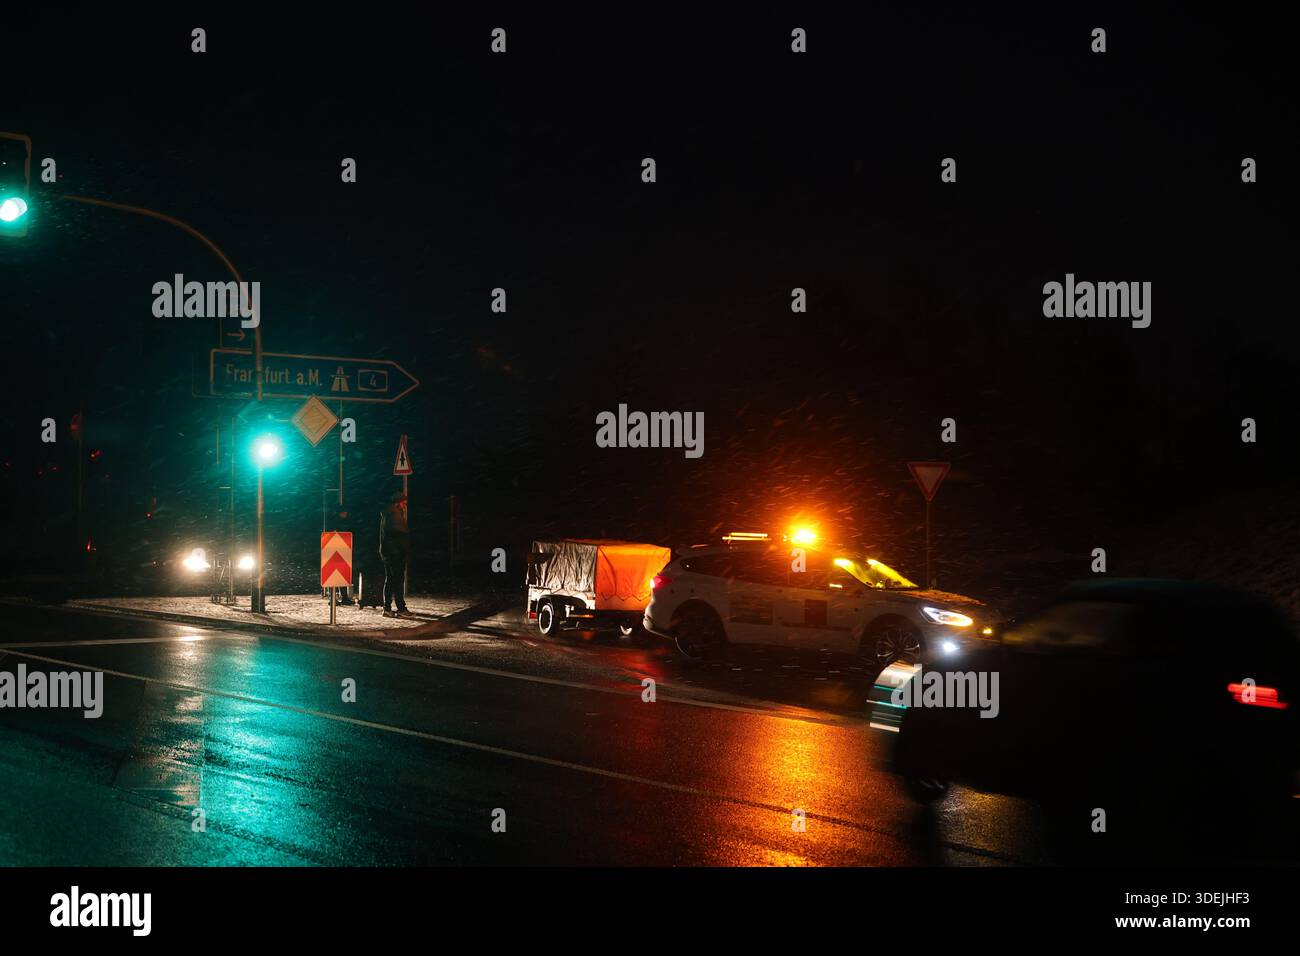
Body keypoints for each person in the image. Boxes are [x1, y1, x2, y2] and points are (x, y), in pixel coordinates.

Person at [379, 490, 410, 616]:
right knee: (397, 580)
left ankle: (387, 608)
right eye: (403, 503)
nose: (405, 505)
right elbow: (398, 536)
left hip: (389, 553)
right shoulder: (394, 515)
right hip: (394, 554)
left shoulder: (389, 513)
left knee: (391, 580)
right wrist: (400, 551)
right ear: (397, 503)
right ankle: (401, 609)